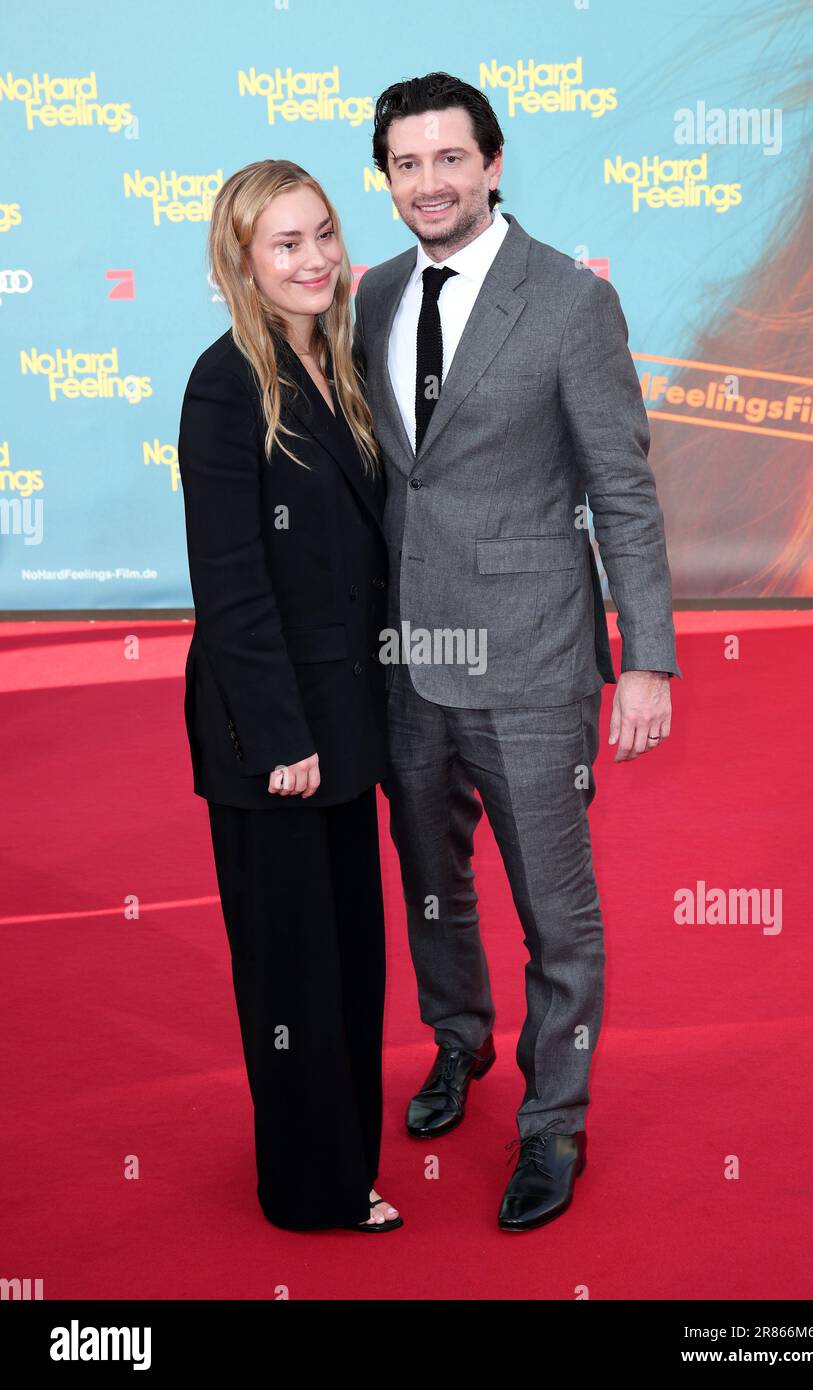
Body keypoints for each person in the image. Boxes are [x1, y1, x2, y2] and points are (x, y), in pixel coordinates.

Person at [353, 73, 682, 1232]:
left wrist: (644, 656)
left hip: (533, 659)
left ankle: (553, 1121)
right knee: (430, 884)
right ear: (386, 179)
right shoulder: (374, 294)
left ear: (491, 165)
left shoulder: (569, 301)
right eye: (405, 164)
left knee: (556, 908)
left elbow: (621, 489)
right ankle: (458, 1041)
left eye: (449, 159)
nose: (428, 183)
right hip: (408, 654)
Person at [177, 159, 402, 1232]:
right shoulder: (226, 384)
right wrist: (281, 738)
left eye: (322, 233)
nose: (315, 258)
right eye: (285, 243)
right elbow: (229, 583)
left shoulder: (340, 362)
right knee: (293, 974)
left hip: (344, 722)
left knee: (350, 956)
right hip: (272, 736)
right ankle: (312, 1191)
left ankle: (345, 1162)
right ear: (243, 262)